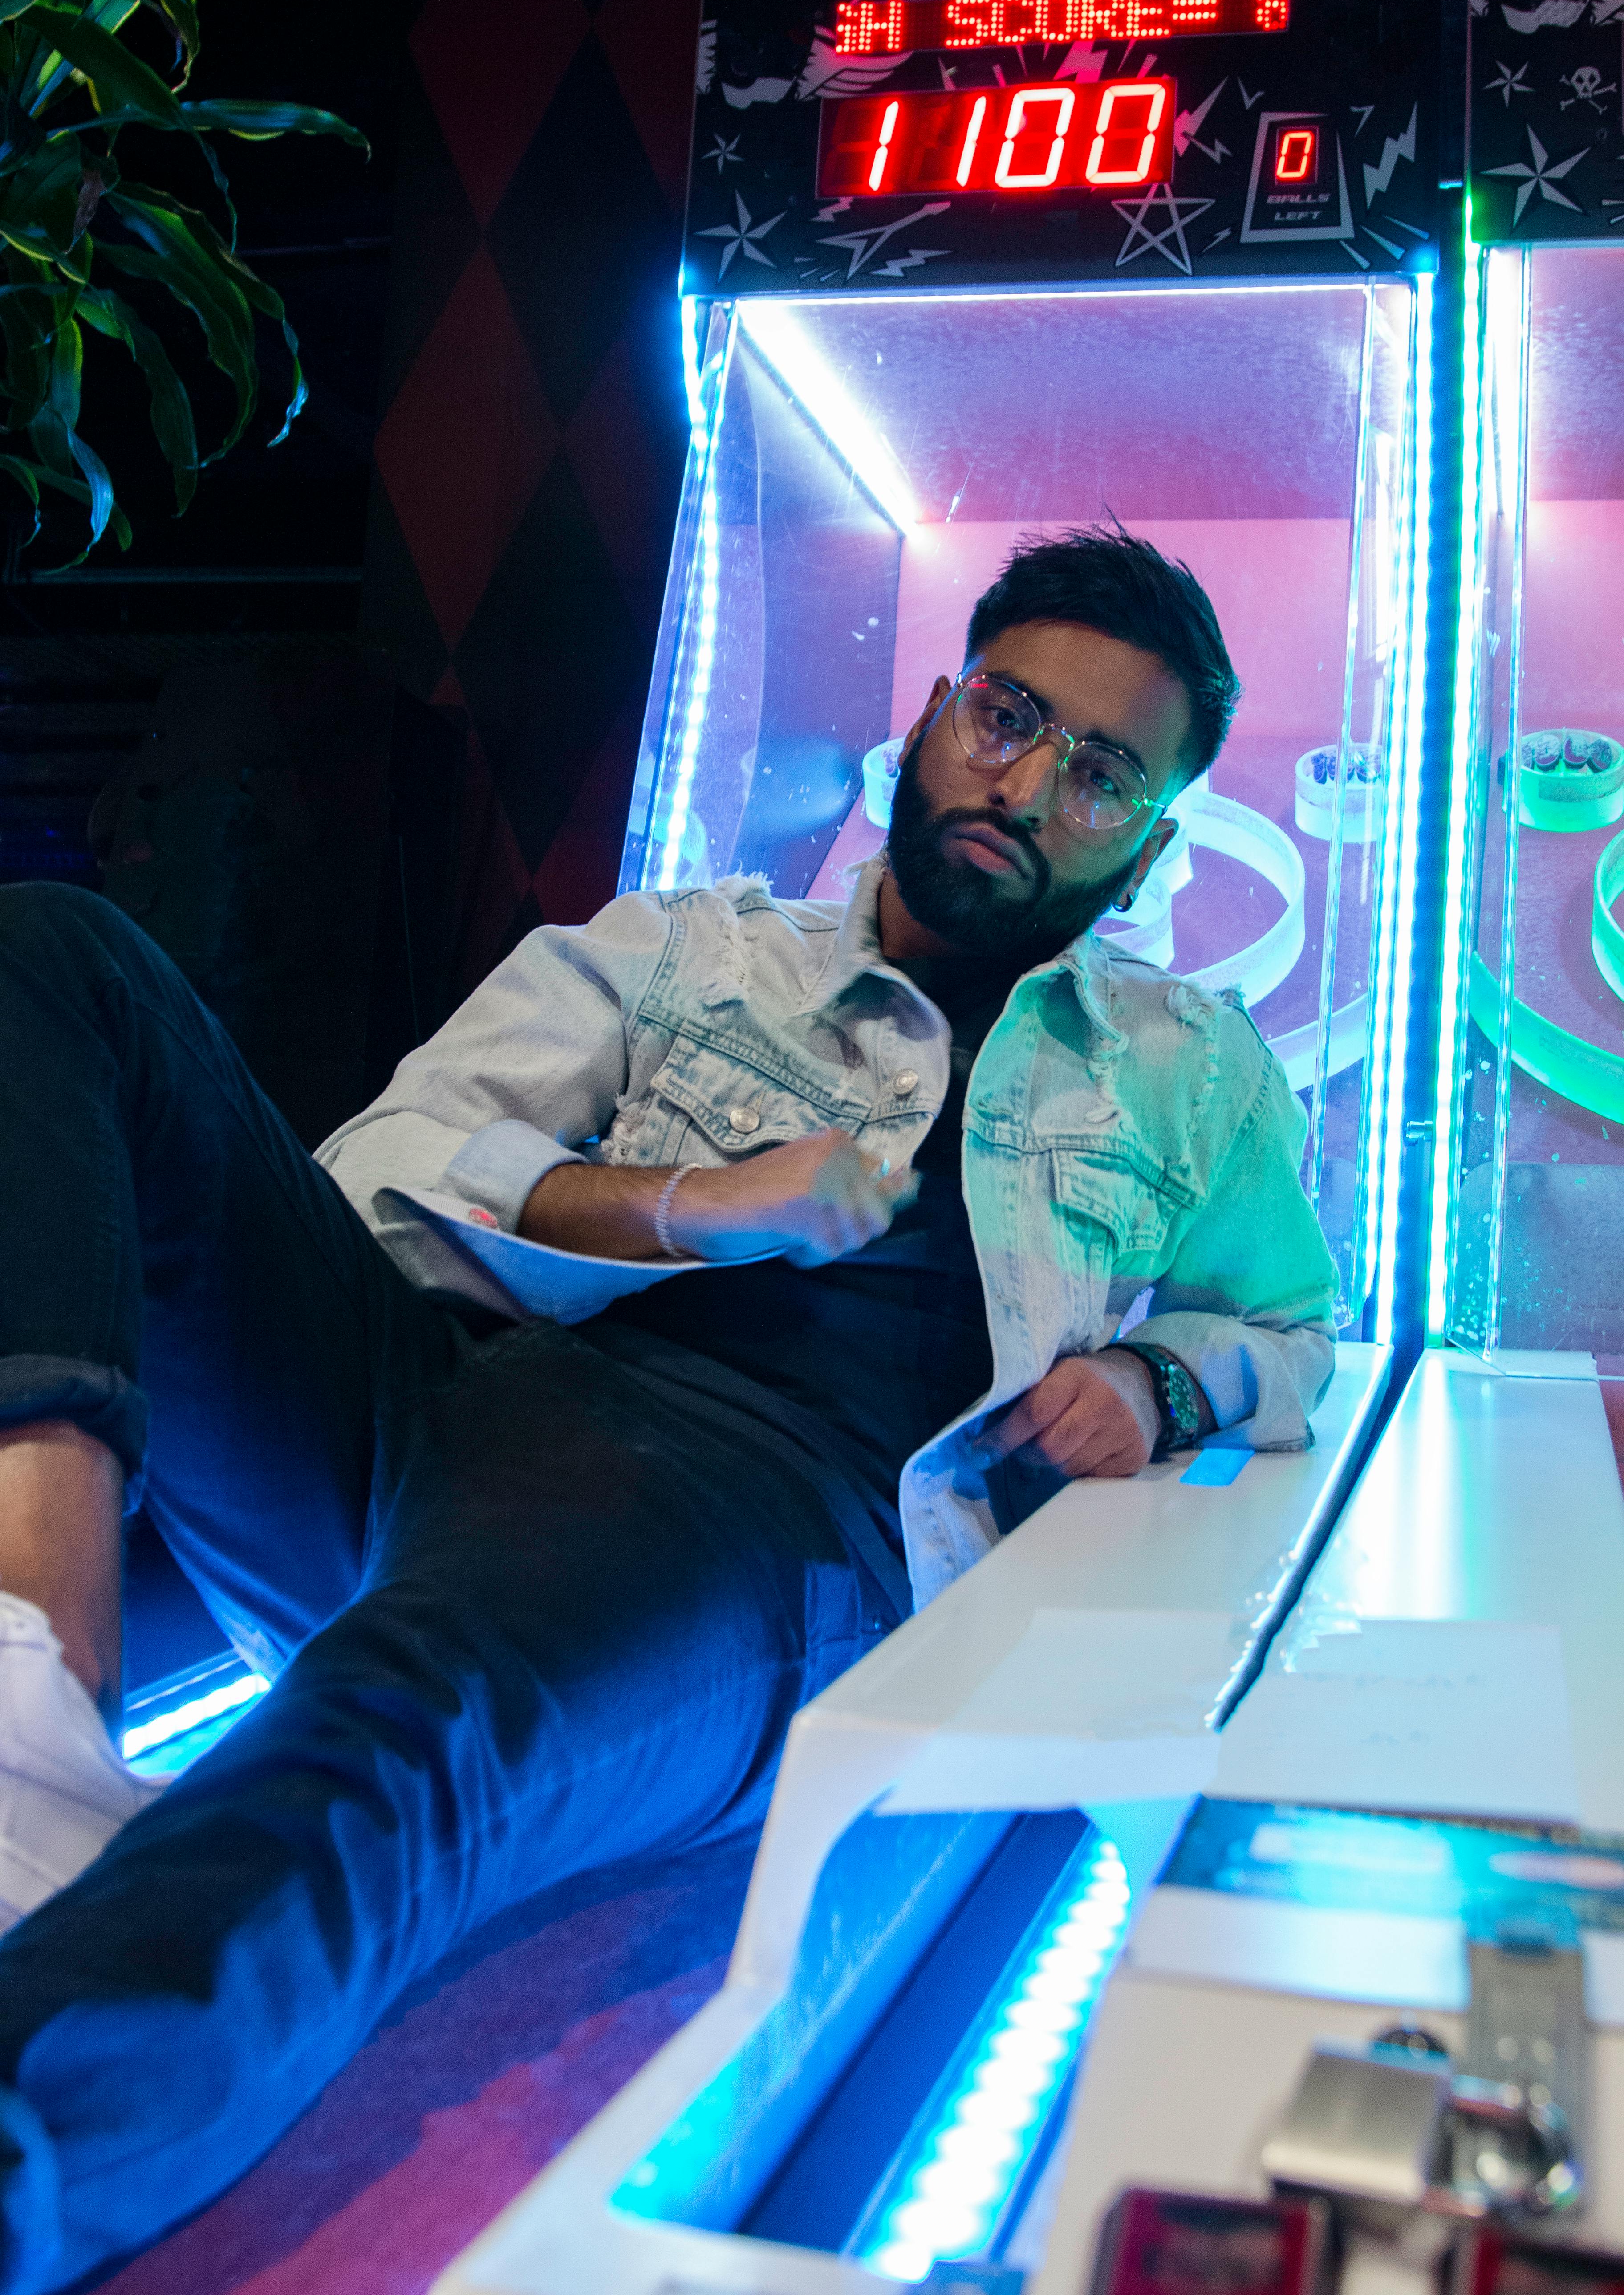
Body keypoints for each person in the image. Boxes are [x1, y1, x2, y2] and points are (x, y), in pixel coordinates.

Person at [0, 525, 1335, 2288]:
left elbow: (1295, 1328)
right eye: (1009, 715)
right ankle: (34, 1664)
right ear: (934, 716)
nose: (1031, 779)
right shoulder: (694, 947)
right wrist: (685, 1205)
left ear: (1154, 839)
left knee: (415, 1722)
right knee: (61, 955)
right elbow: (380, 1172)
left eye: (1103, 770)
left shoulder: (1187, 1069)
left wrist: (1159, 1377)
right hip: (440, 1396)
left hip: (757, 1522)